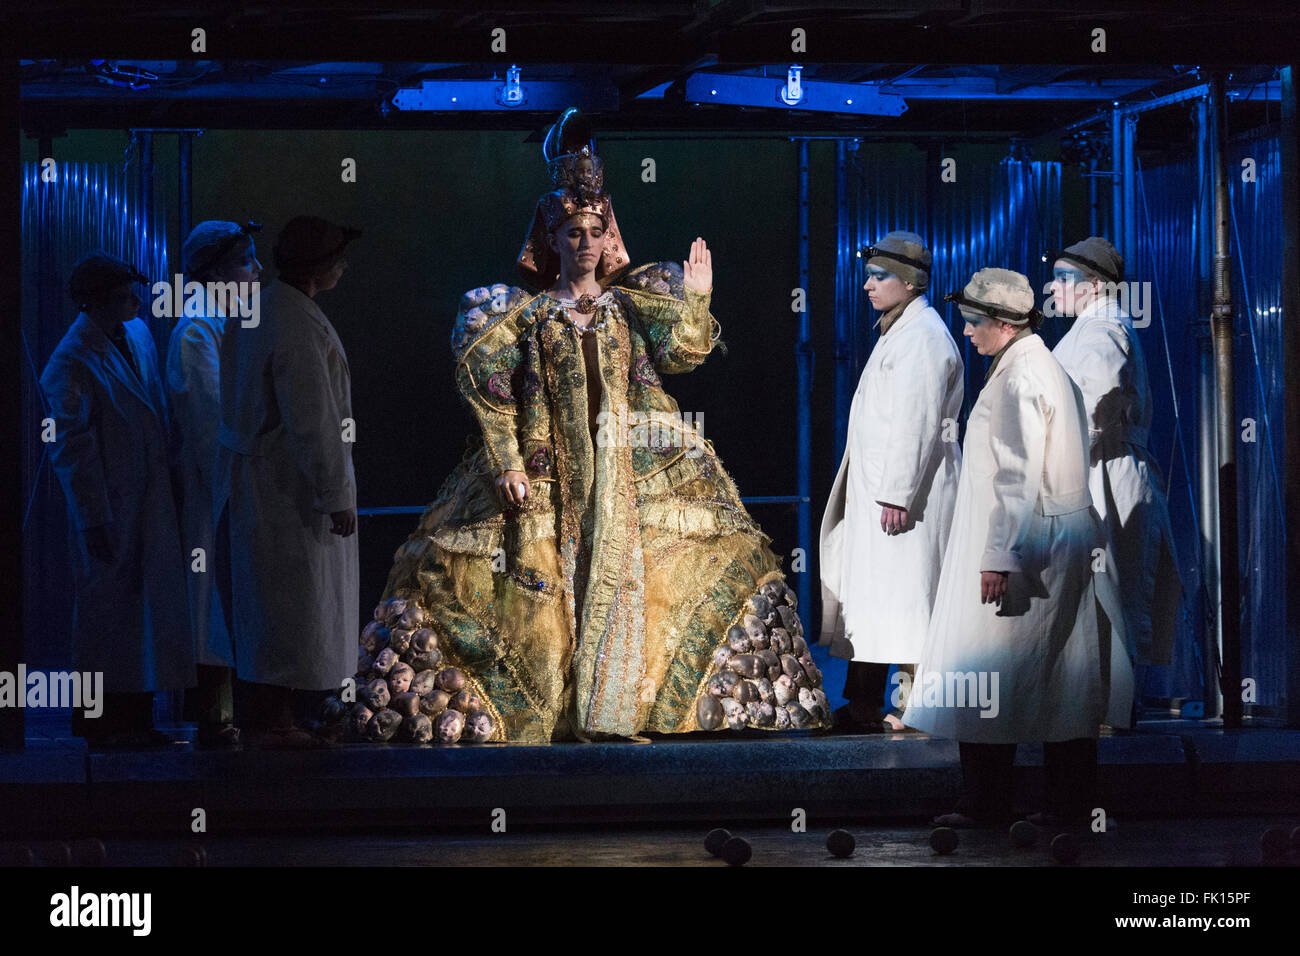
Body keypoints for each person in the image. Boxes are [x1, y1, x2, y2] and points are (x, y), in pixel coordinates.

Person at [332, 108, 830, 745]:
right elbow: (492, 391)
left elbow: (684, 354)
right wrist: (508, 459)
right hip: (548, 468)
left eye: (595, 231)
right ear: (553, 239)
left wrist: (699, 297)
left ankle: (630, 708)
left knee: (653, 574)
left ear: (608, 237)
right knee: (533, 586)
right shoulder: (525, 314)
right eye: (572, 232)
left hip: (630, 466)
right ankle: (549, 712)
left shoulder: (631, 304)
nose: (585, 243)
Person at [902, 268, 1134, 828]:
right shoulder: (1035, 364)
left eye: (976, 323)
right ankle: (1056, 805)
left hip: (1029, 548)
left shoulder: (1020, 378)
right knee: (1056, 682)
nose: (969, 333)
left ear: (1004, 325)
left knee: (989, 673)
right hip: (1052, 542)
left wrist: (999, 555)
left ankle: (993, 803)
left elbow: (1016, 473)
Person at [39, 252, 196, 749]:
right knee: (109, 617)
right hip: (110, 506)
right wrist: (92, 519)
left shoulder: (138, 337)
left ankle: (137, 719)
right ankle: (101, 725)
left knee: (143, 617)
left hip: (148, 502)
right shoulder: (70, 360)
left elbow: (156, 409)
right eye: (130, 292)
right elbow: (70, 446)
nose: (139, 298)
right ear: (101, 298)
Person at [218, 216, 360, 749]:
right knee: (292, 605)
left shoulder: (265, 309)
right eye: (337, 258)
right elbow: (313, 420)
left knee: (276, 601)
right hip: (287, 484)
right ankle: (274, 718)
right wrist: (336, 496)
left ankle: (279, 714)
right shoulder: (292, 322)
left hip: (266, 477)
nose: (343, 266)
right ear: (319, 267)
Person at [819, 232, 963, 733]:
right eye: (869, 274)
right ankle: (863, 704)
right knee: (879, 606)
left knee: (906, 608)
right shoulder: (898, 330)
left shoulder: (923, 337)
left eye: (879, 276)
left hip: (903, 501)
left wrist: (898, 494)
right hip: (884, 496)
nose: (867, 285)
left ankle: (913, 707)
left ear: (909, 281)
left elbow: (917, 422)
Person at [1049, 237, 1182, 688]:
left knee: (1107, 593)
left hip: (1103, 471)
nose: (1054, 290)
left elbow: (1095, 402)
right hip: (1094, 466)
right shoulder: (1090, 327)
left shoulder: (1104, 328)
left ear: (1094, 285)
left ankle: (1109, 711)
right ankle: (1100, 703)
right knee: (1097, 591)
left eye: (1064, 280)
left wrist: (1052, 452)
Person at [165, 220, 263, 749]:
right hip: (215, 491)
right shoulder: (197, 330)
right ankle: (215, 713)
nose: (258, 270)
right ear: (217, 270)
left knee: (226, 601)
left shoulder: (227, 323)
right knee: (212, 602)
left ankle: (232, 711)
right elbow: (208, 428)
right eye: (247, 260)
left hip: (233, 490)